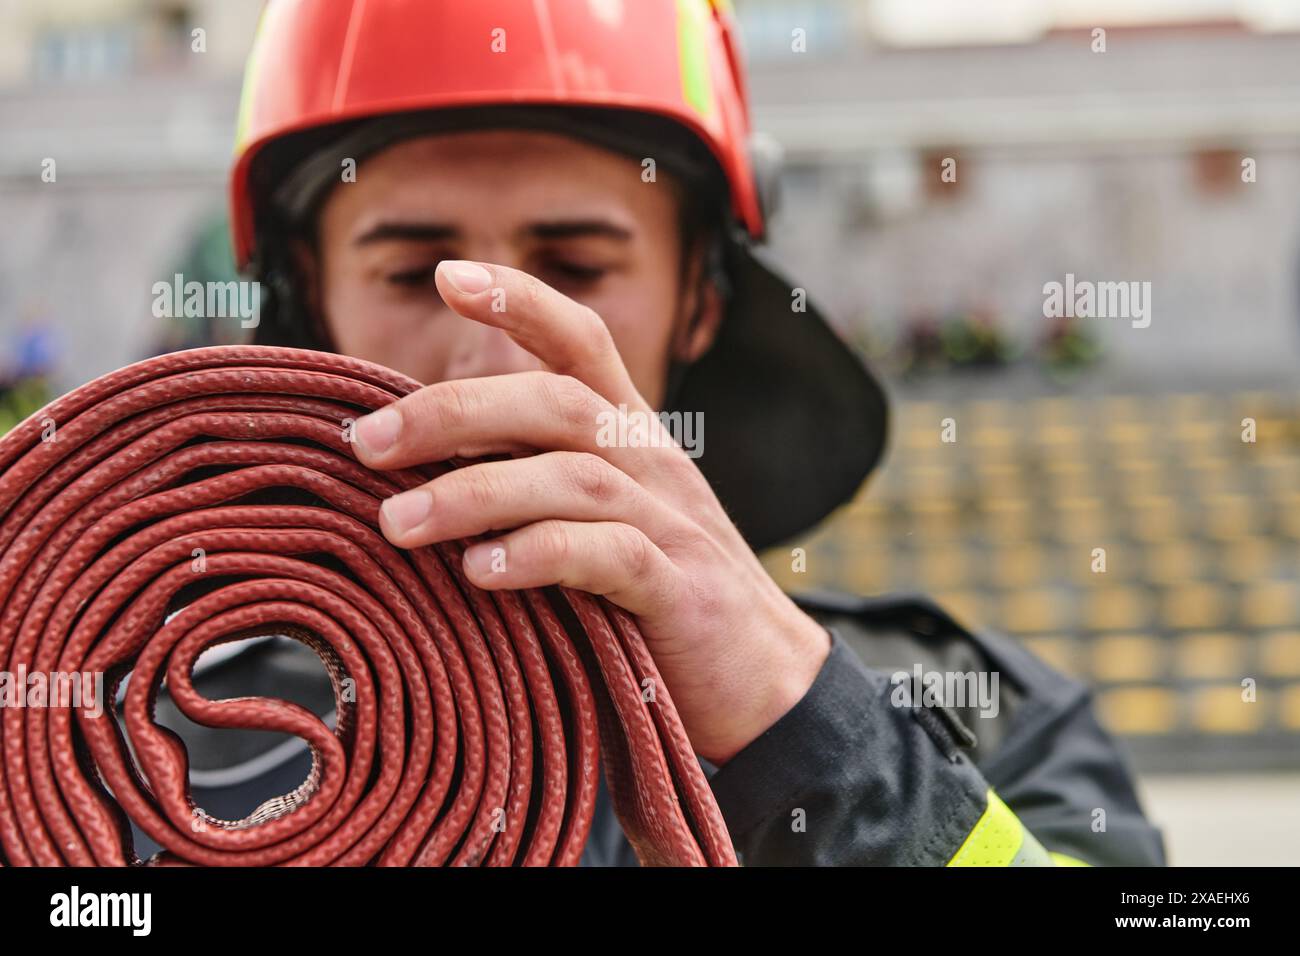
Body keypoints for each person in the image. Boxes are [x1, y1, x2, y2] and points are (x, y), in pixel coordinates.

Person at [184, 0, 1164, 866]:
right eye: (410, 274)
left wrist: (805, 729)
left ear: (701, 301)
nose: (495, 352)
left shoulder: (980, 713)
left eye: (575, 263)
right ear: (308, 303)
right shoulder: (138, 725)